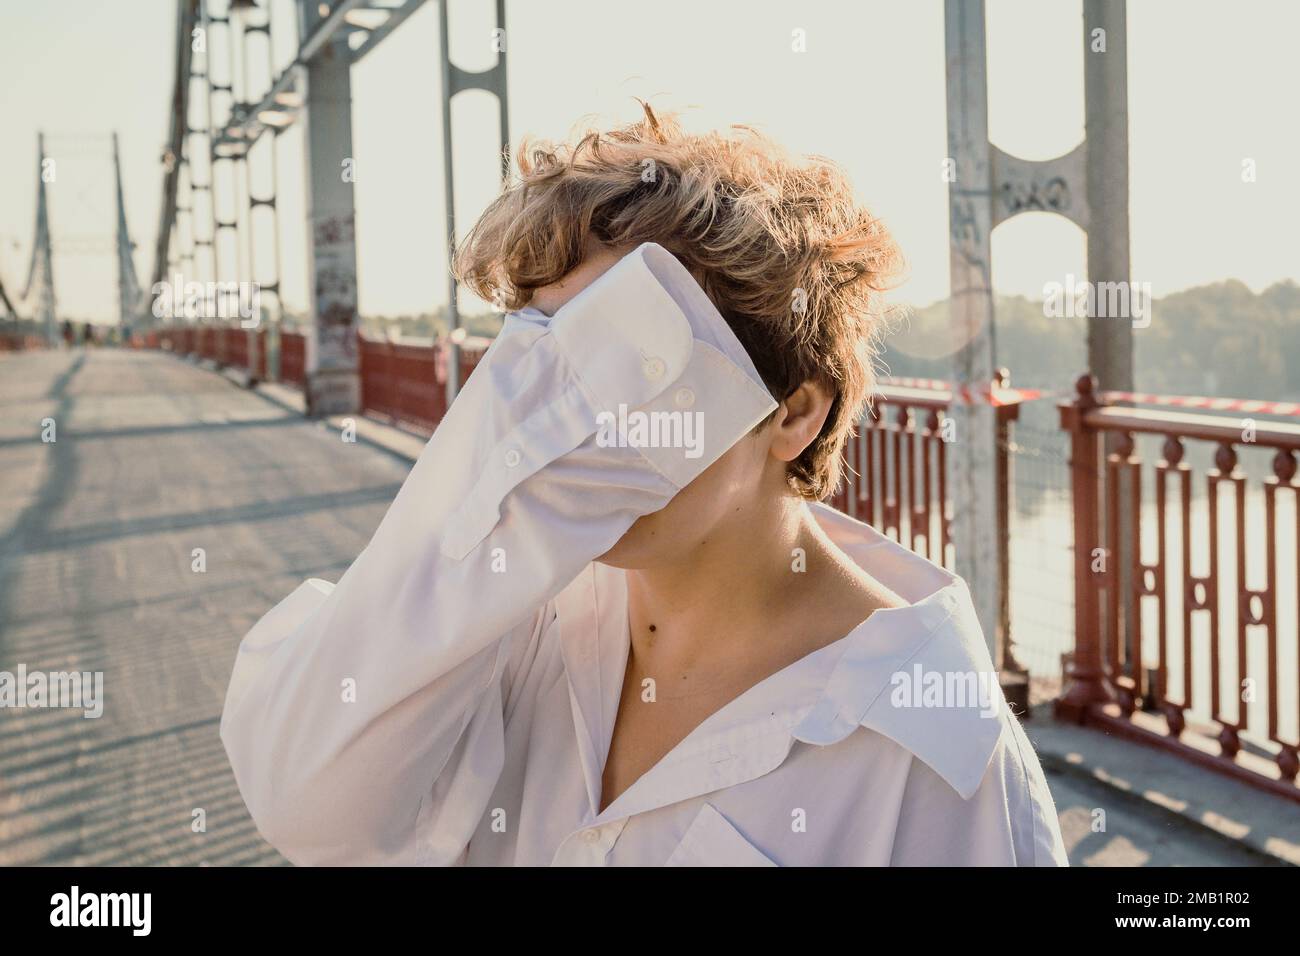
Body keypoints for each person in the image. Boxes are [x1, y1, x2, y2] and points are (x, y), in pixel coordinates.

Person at [221, 105, 1067, 866]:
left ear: (792, 416)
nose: (571, 419)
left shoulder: (936, 753)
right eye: (537, 356)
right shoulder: (519, 625)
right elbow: (309, 809)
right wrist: (493, 470)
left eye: (627, 362)